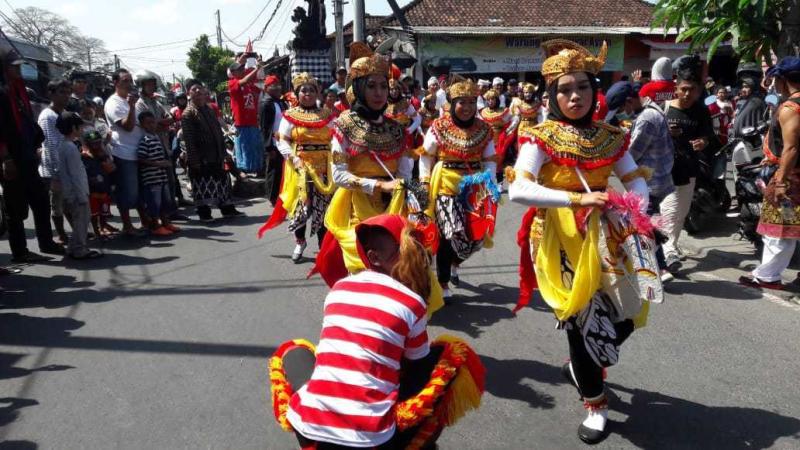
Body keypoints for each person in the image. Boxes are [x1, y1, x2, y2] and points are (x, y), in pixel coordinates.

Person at [509, 39, 651, 444]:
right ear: (552, 95)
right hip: (559, 240)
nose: (575, 96)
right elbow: (519, 190)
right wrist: (578, 198)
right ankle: (596, 403)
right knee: (582, 322)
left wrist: (631, 207)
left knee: (625, 314)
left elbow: (636, 180)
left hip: (609, 236)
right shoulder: (540, 137)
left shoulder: (611, 135)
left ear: (595, 90)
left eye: (583, 87)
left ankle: (579, 365)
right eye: (565, 89)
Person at [283, 214, 484, 449]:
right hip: (371, 439)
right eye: (404, 251)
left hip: (308, 427)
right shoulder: (413, 303)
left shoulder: (339, 288)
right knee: (450, 353)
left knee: (295, 352)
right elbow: (417, 367)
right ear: (373, 258)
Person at [311, 43, 442, 314]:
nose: (379, 93)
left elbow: (406, 172)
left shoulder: (397, 128)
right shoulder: (343, 125)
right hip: (360, 206)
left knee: (405, 268)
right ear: (358, 88)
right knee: (366, 270)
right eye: (371, 86)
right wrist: (378, 184)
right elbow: (339, 175)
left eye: (383, 86)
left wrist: (418, 196)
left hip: (395, 206)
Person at [420, 76, 497, 301]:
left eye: (472, 102)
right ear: (453, 104)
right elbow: (426, 157)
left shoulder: (484, 128)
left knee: (476, 238)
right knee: (450, 232)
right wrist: (424, 182)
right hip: (446, 184)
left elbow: (490, 159)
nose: (467, 107)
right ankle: (443, 280)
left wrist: (490, 183)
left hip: (475, 186)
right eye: (462, 102)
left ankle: (455, 262)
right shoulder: (439, 126)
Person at [257, 73, 335, 262]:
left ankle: (323, 247)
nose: (307, 93)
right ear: (297, 93)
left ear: (317, 93)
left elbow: (336, 138)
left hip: (325, 169)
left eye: (311, 90)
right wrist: (294, 158)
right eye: (303, 90)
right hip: (301, 169)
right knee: (302, 209)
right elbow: (282, 141)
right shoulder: (290, 116)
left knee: (324, 209)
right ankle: (300, 241)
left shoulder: (326, 114)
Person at [740, 57, 800, 289]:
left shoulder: (790, 108)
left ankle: (768, 275)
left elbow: (792, 147)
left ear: (783, 81)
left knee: (781, 229)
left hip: (790, 178)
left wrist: (782, 181)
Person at [0, 50, 64, 262]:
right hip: (11, 158)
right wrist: (7, 159)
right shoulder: (1, 92)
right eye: (13, 67)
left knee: (40, 201)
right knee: (15, 208)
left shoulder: (19, 91)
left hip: (27, 154)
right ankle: (20, 252)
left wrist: (35, 143)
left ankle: (46, 242)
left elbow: (26, 121)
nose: (18, 70)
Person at [662, 55, 719, 272]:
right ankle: (667, 254)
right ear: (676, 87)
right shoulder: (664, 108)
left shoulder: (701, 111)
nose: (687, 94)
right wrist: (666, 132)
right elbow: (648, 135)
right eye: (684, 88)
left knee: (682, 211)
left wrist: (703, 141)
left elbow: (709, 135)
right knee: (670, 208)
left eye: (692, 89)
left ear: (698, 90)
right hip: (664, 169)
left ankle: (670, 246)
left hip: (688, 168)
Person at [629, 75, 677, 281]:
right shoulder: (653, 113)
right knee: (649, 221)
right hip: (657, 178)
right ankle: (657, 264)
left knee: (642, 223)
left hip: (650, 181)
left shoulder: (647, 118)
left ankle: (660, 267)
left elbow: (633, 152)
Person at [181, 82, 242, 221]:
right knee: (202, 186)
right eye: (193, 89)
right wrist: (194, 160)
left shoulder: (209, 109)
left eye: (199, 88)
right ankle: (204, 213)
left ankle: (227, 209)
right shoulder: (188, 113)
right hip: (201, 157)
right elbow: (189, 140)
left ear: (204, 92)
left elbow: (218, 132)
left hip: (217, 154)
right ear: (189, 94)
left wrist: (224, 153)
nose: (197, 90)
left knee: (222, 182)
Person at [55, 112, 101, 259]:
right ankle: (80, 250)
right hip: (77, 192)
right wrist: (82, 195)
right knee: (81, 221)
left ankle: (72, 248)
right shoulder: (70, 148)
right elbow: (75, 174)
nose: (81, 129)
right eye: (80, 127)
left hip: (70, 191)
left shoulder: (63, 145)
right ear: (73, 128)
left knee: (79, 221)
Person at [104, 68, 145, 236]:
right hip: (124, 153)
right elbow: (127, 126)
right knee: (128, 192)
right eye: (125, 81)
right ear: (116, 83)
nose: (129, 85)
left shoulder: (133, 100)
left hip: (140, 151)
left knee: (141, 191)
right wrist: (131, 107)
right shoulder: (113, 103)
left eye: (130, 81)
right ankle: (127, 225)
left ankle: (146, 221)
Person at [38, 78, 72, 244]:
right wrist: (55, 175)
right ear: (51, 94)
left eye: (68, 92)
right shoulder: (48, 117)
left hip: (66, 167)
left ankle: (78, 231)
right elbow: (50, 147)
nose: (66, 96)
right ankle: (61, 234)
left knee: (68, 202)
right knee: (57, 205)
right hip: (53, 170)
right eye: (62, 92)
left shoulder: (65, 114)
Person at [137, 111, 179, 236]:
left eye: (153, 122)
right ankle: (155, 226)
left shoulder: (156, 137)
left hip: (161, 177)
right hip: (151, 178)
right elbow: (141, 159)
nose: (151, 125)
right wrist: (159, 164)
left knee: (164, 202)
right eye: (148, 123)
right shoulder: (144, 140)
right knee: (154, 204)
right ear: (142, 125)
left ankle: (166, 222)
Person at [228, 56, 265, 175]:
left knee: (255, 145)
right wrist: (256, 69)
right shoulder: (232, 83)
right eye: (239, 70)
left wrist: (259, 68)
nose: (242, 71)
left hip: (253, 120)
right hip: (242, 122)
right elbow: (243, 81)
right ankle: (244, 168)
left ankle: (256, 168)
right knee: (245, 146)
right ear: (233, 73)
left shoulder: (248, 86)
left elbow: (260, 85)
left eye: (242, 69)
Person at [80, 129, 118, 238]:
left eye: (98, 142)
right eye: (93, 143)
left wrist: (112, 182)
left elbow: (112, 171)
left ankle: (103, 227)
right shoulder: (84, 158)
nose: (96, 145)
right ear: (87, 144)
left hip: (104, 189)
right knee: (94, 213)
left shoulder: (103, 155)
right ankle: (96, 231)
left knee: (104, 211)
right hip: (92, 192)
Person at [260, 75, 288, 206]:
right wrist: (268, 147)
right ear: (266, 88)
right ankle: (272, 197)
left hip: (284, 142)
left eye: (278, 85)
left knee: (283, 170)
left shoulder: (281, 102)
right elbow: (265, 127)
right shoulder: (266, 103)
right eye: (273, 86)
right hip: (273, 143)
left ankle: (282, 194)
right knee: (274, 171)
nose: (277, 88)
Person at [479, 89, 518, 176]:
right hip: (487, 140)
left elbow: (514, 119)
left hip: (500, 139)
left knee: (499, 161)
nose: (490, 101)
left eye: (492, 99)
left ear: (497, 100)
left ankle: (499, 182)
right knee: (487, 160)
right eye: (488, 99)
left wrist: (508, 130)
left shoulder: (504, 111)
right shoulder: (483, 112)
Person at [384, 78, 421, 155]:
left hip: (404, 140)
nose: (394, 92)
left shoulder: (405, 103)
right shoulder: (384, 104)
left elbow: (418, 119)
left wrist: (408, 131)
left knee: (405, 164)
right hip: (389, 141)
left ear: (399, 90)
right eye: (391, 89)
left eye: (396, 89)